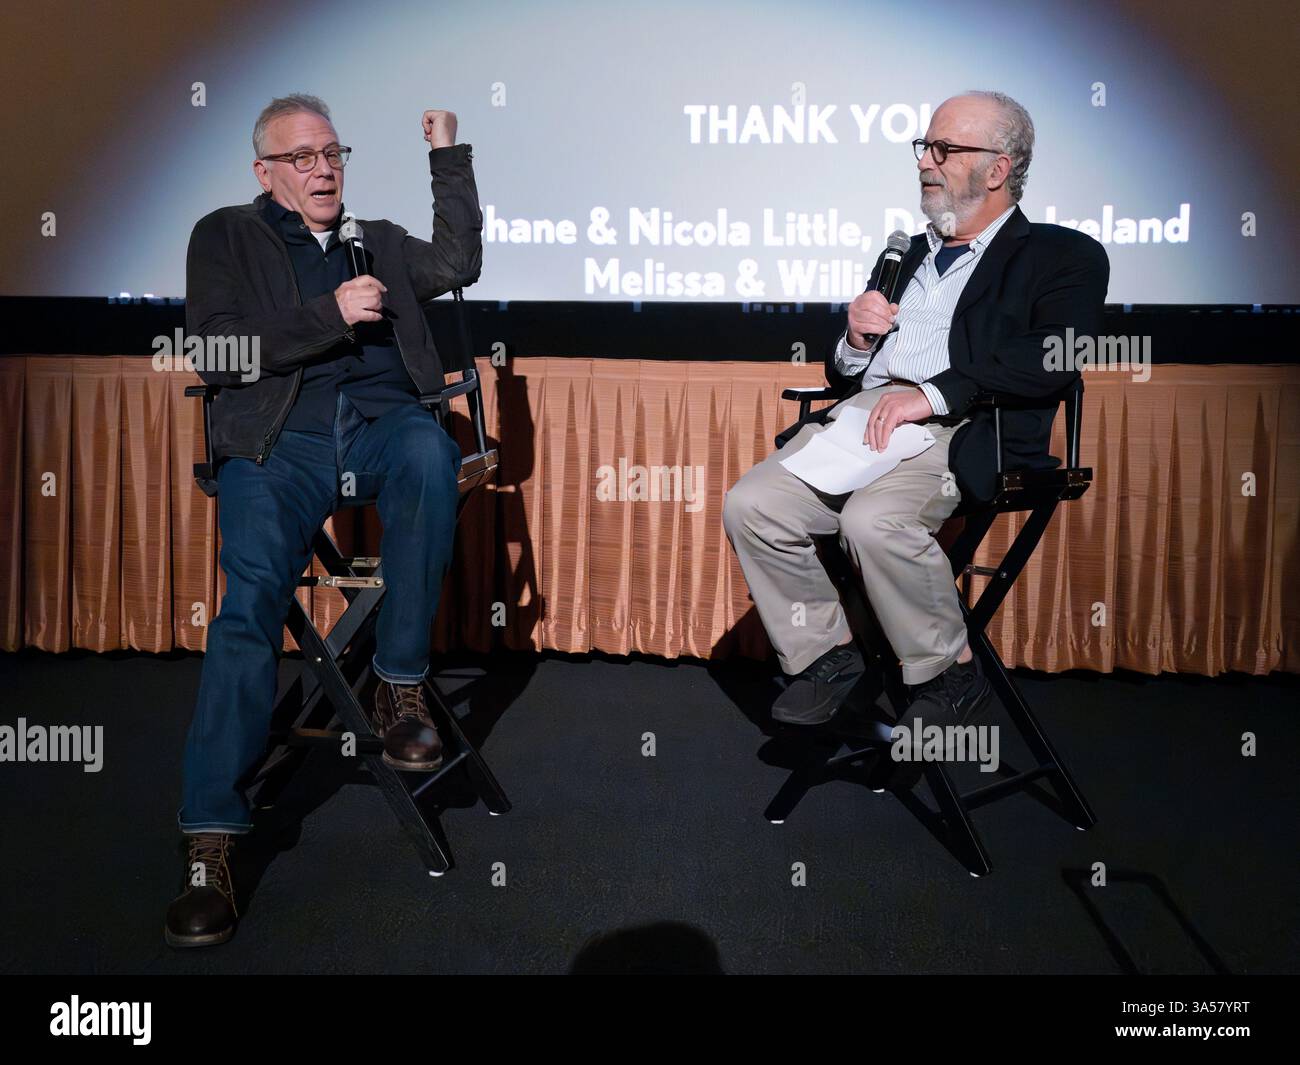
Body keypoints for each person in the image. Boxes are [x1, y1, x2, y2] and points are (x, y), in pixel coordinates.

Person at [166, 93, 482, 947]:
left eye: (332, 152)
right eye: (301, 158)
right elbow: (215, 350)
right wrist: (327, 314)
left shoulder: (375, 237)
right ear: (265, 173)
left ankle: (400, 683)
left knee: (429, 450)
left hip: (382, 429)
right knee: (248, 611)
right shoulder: (224, 234)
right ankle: (211, 840)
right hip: (280, 444)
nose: (323, 169)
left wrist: (447, 155)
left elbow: (458, 262)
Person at [723, 91, 1108, 732]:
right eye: (924, 147)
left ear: (997, 169)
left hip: (959, 424)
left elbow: (1053, 357)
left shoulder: (1061, 255)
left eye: (944, 148)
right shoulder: (906, 253)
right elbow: (846, 374)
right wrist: (855, 339)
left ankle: (951, 672)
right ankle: (828, 659)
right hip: (863, 421)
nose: (926, 161)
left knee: (874, 524)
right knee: (752, 505)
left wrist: (928, 396)